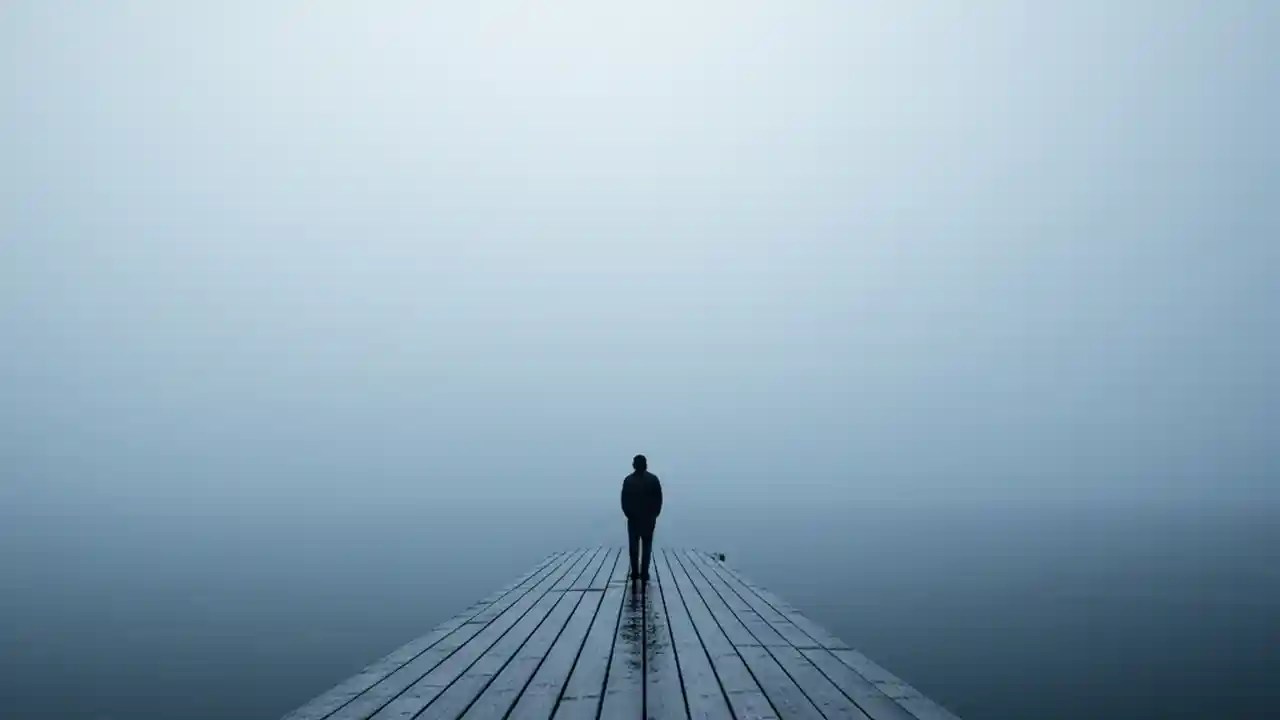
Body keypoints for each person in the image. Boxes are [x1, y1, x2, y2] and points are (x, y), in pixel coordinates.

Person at [620, 454, 663, 583]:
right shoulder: (653, 479)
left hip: (634, 519)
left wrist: (629, 514)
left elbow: (624, 501)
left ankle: (635, 572)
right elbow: (658, 500)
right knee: (646, 546)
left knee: (634, 547)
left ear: (634, 465)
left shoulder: (628, 480)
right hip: (648, 519)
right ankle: (644, 572)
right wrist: (655, 514)